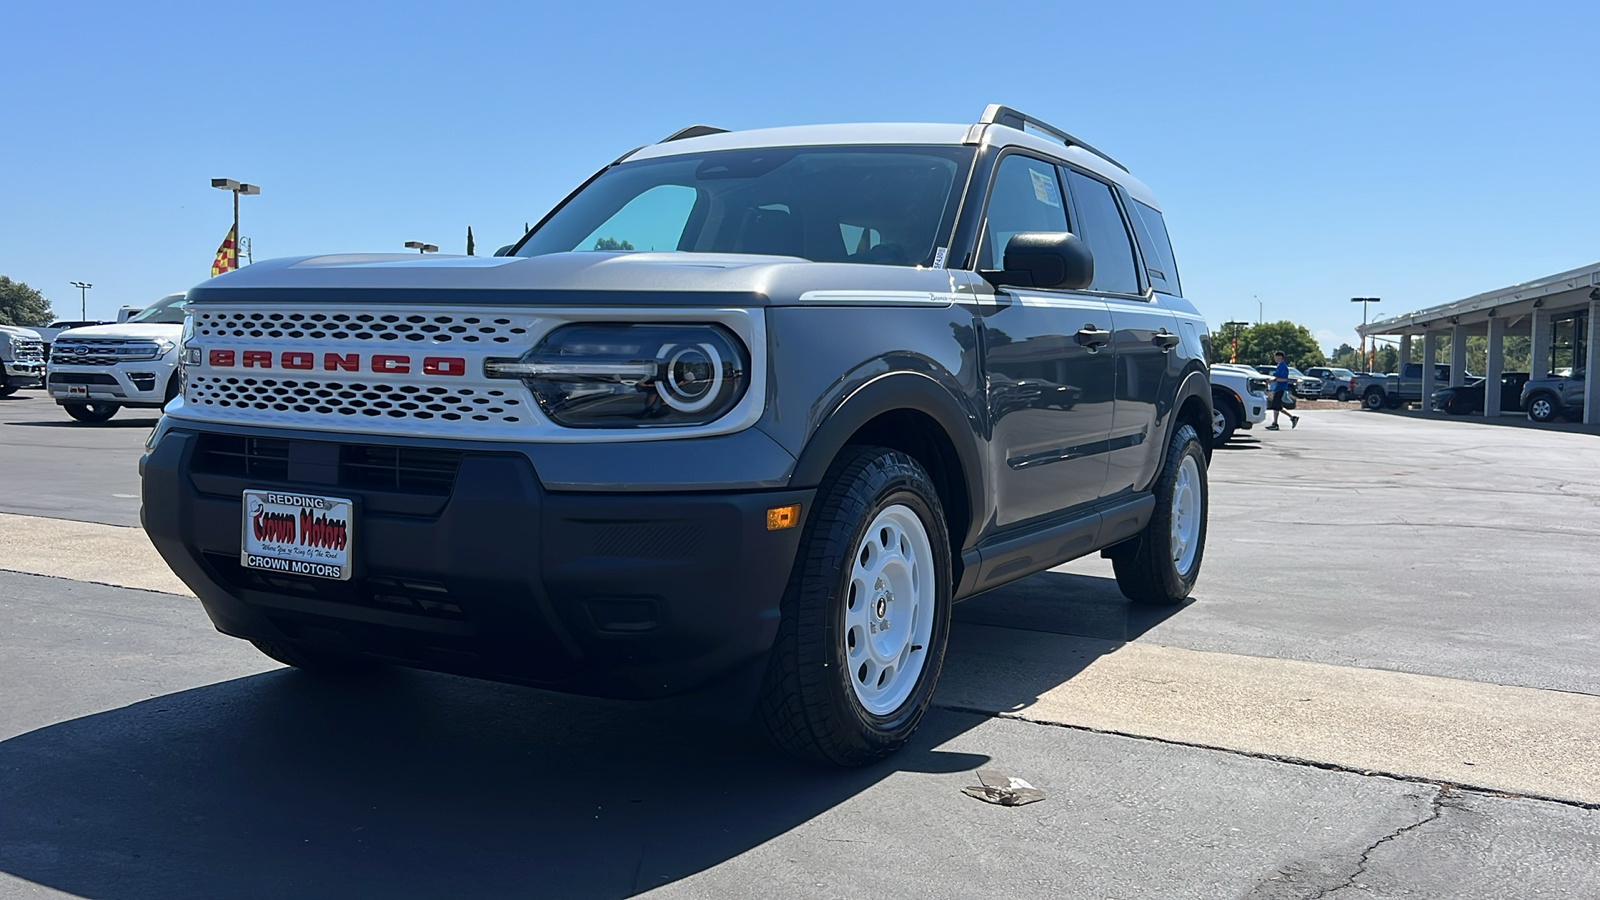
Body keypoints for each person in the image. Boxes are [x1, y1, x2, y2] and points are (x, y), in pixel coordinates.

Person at [1265, 350, 1299, 430]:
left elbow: (1284, 379)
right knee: (1277, 406)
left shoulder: (1283, 367)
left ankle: (1278, 423)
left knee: (1276, 406)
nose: (1275, 358)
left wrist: (1273, 380)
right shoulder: (1279, 366)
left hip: (1281, 388)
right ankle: (1278, 422)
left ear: (1280, 357)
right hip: (1277, 388)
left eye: (1276, 356)